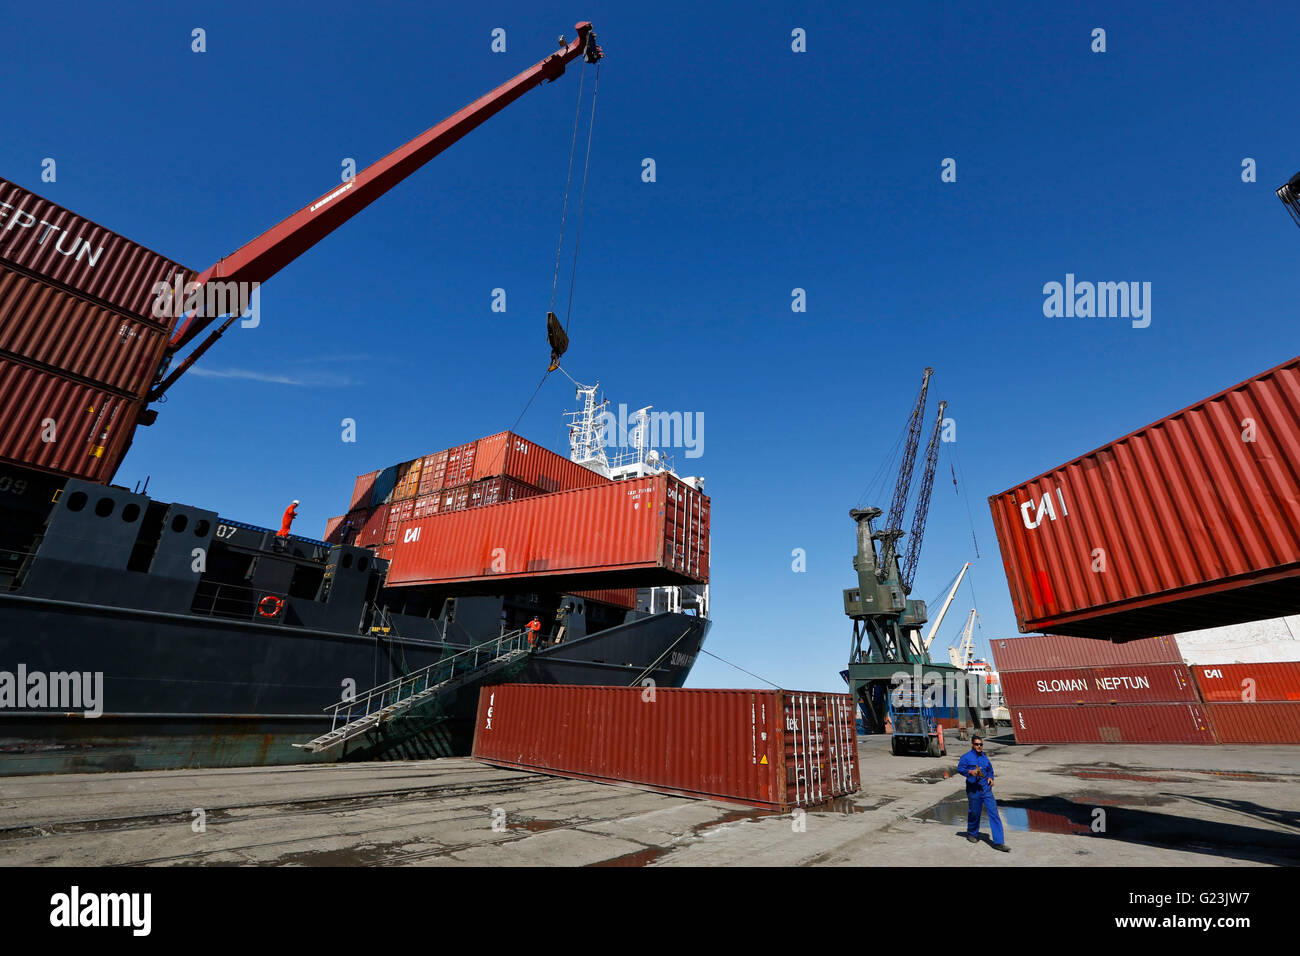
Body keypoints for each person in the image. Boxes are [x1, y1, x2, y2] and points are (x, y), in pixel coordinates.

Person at [956, 735, 1009, 852]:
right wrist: (969, 771)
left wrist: (991, 778)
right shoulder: (966, 757)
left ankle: (999, 842)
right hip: (973, 790)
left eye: (981, 744)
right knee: (974, 813)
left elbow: (990, 770)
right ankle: (972, 833)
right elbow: (959, 768)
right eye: (977, 744)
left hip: (986, 789)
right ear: (972, 745)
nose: (979, 746)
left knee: (994, 813)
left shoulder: (985, 757)